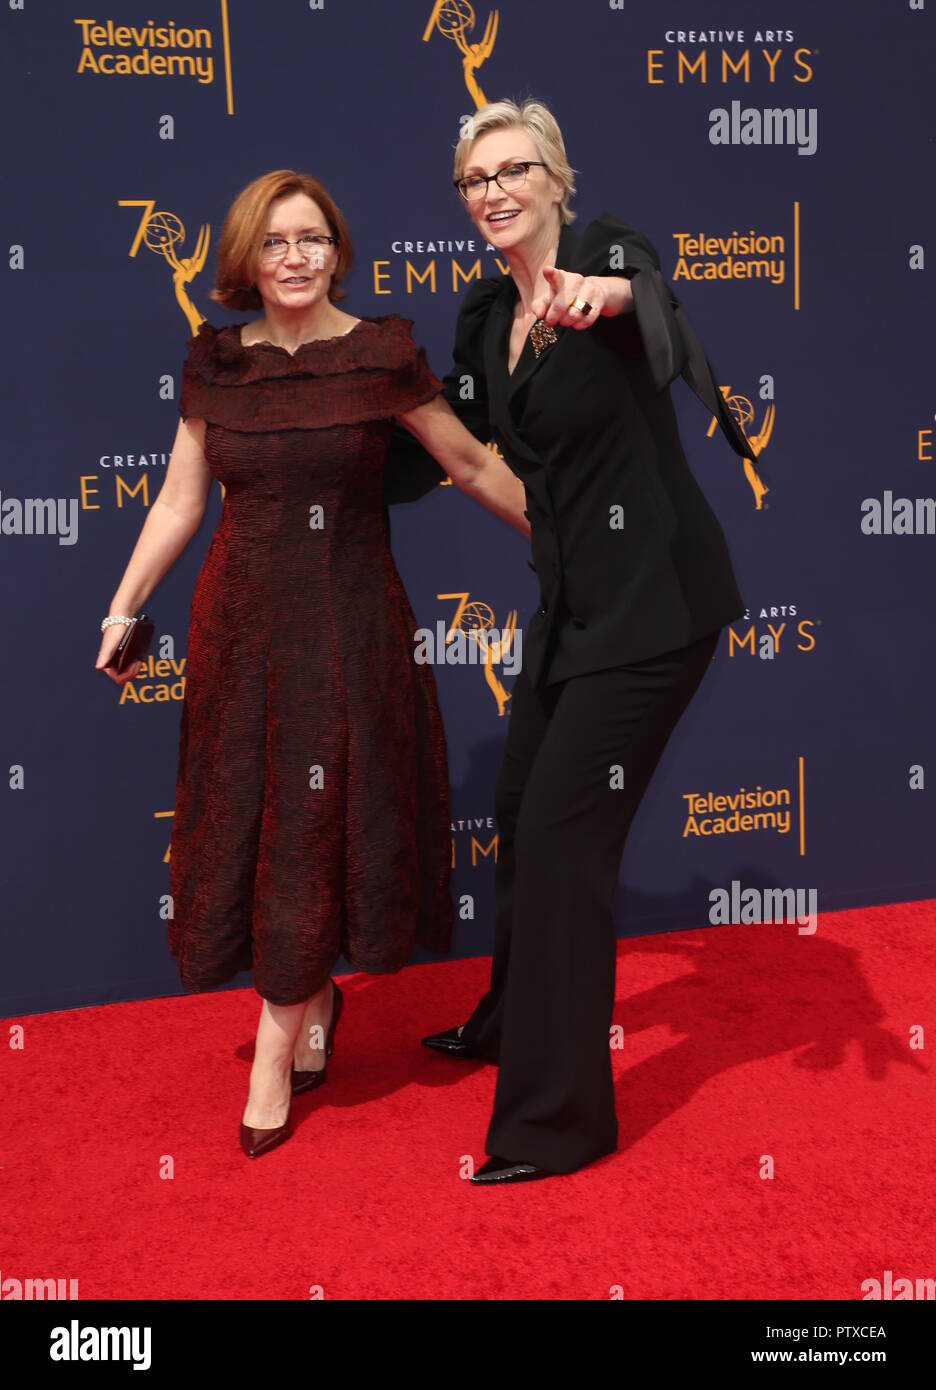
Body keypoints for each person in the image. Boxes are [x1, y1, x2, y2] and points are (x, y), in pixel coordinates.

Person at [95, 169, 528, 1160]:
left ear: (338, 249)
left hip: (347, 629)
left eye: (315, 239)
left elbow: (466, 462)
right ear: (246, 258)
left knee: (313, 819)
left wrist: (567, 539)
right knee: (266, 823)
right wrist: (124, 608)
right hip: (239, 631)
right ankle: (310, 993)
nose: (296, 258)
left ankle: (271, 1051)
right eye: (277, 241)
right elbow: (177, 500)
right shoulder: (218, 362)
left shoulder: (376, 353)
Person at [415, 99, 762, 1183]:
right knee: (522, 812)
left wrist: (609, 296)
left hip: (655, 611)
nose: (496, 192)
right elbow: (459, 448)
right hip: (571, 609)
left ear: (558, 179)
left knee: (568, 847)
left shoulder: (607, 253)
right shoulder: (481, 319)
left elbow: (653, 308)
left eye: (516, 170)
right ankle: (512, 1020)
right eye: (477, 179)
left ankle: (556, 1121)